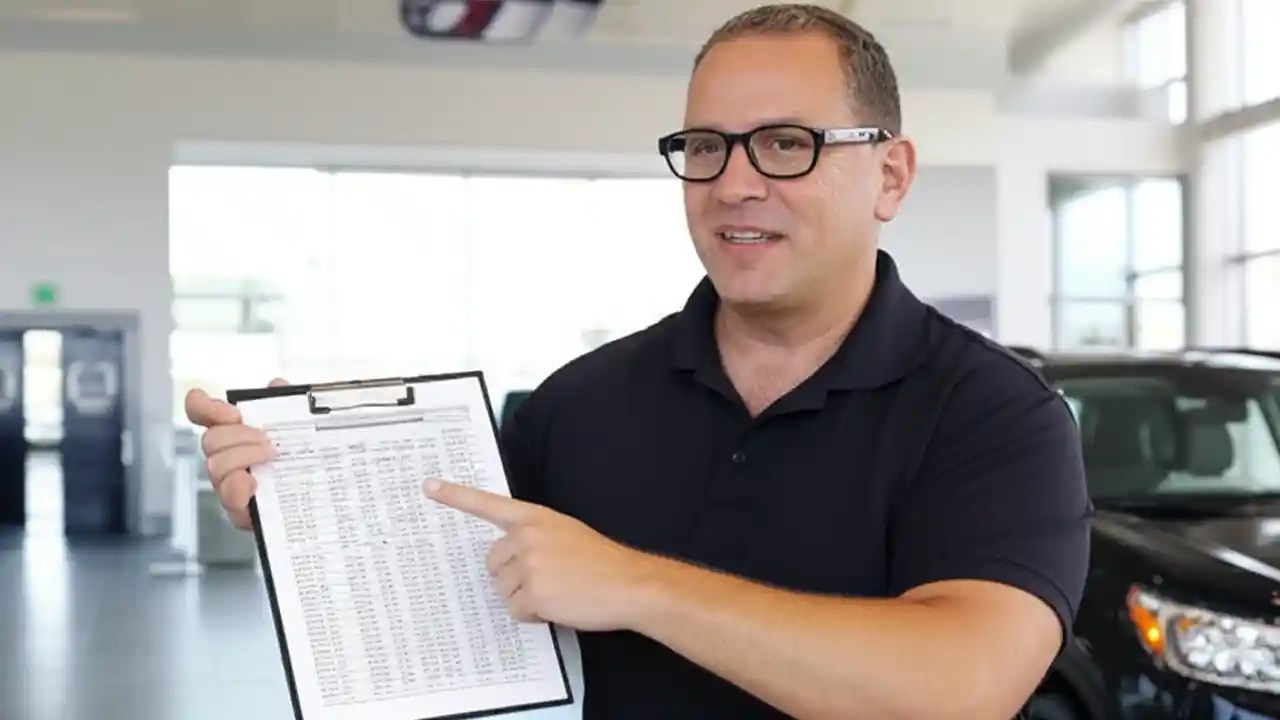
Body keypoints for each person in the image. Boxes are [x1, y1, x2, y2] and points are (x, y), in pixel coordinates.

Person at [186, 4, 1092, 719]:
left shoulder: (994, 413)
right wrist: (307, 490)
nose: (735, 184)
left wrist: (634, 582)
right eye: (705, 147)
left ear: (890, 176)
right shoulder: (581, 403)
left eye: (786, 144)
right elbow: (453, 573)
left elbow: (959, 686)